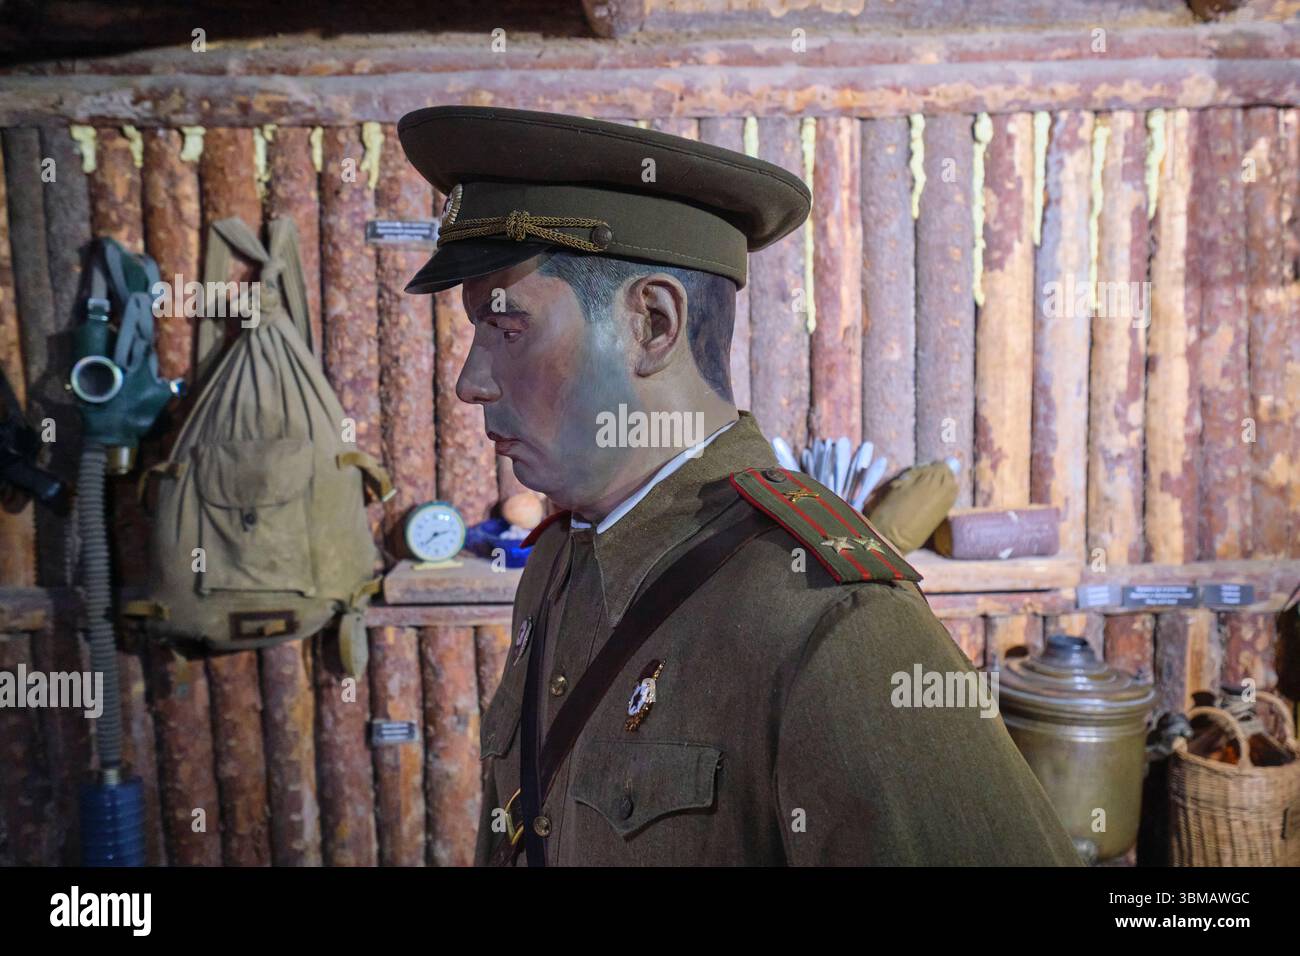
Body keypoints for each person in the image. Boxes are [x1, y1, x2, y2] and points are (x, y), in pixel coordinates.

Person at [398, 106, 1081, 866]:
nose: (469, 381)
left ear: (651, 324)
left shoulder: (834, 626)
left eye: (507, 329)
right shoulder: (560, 567)